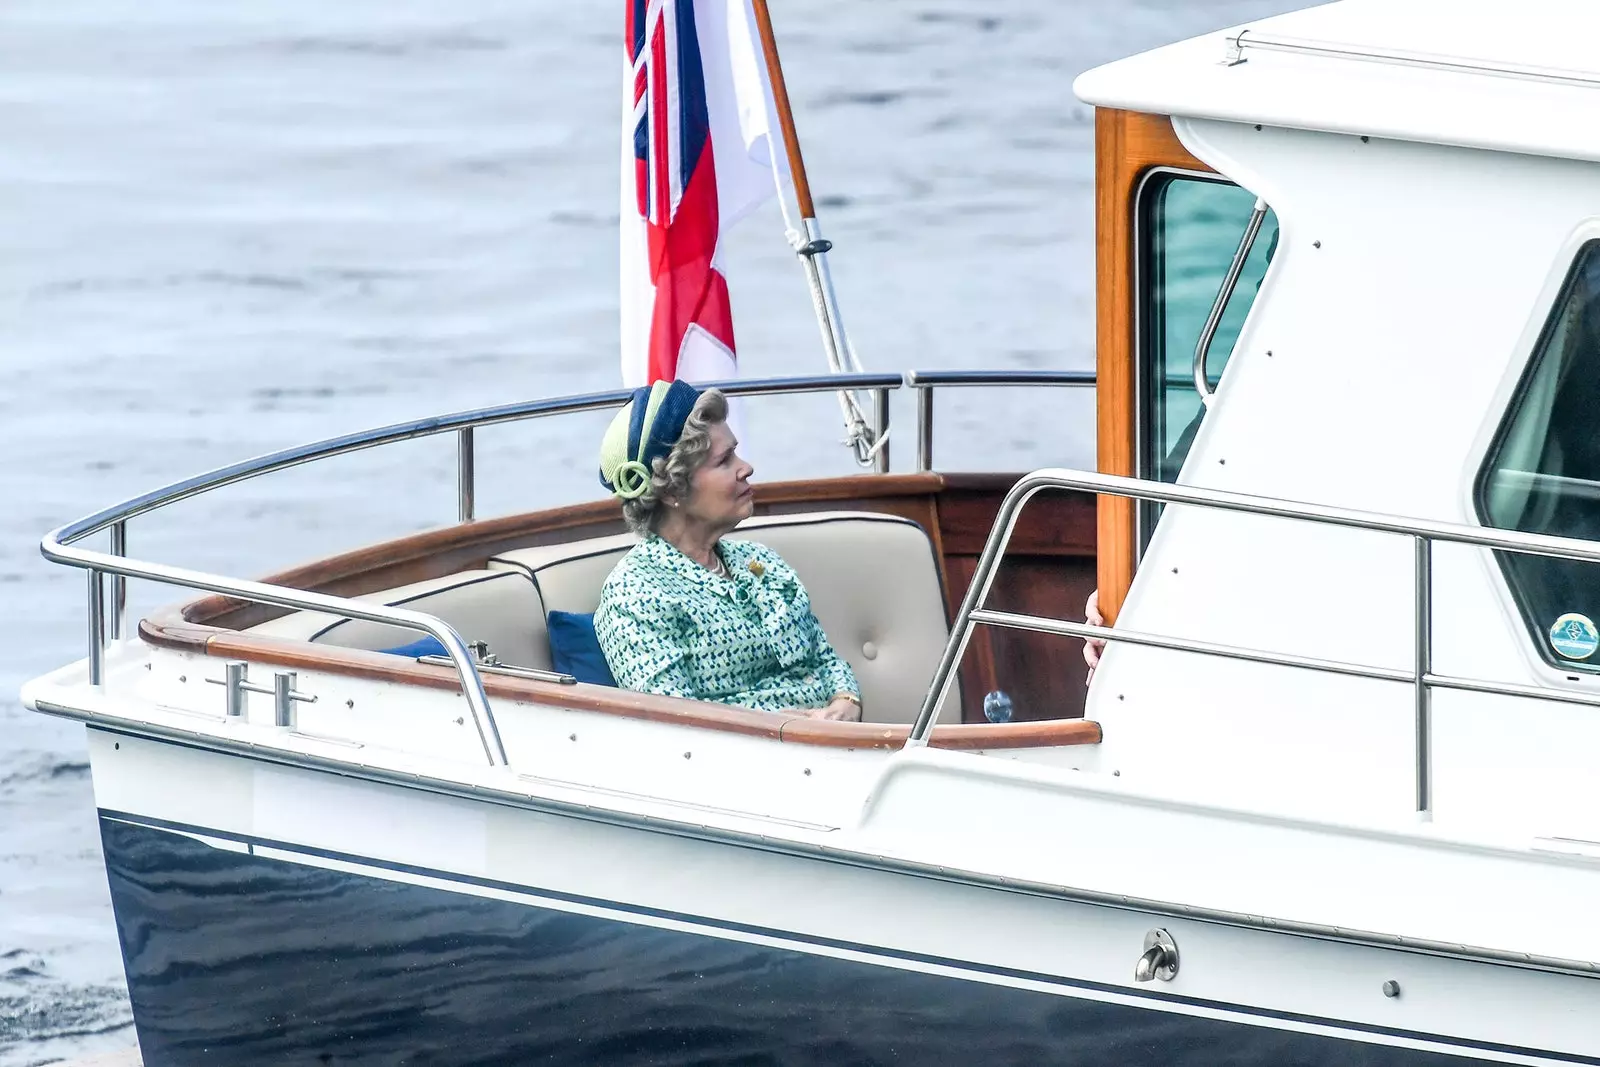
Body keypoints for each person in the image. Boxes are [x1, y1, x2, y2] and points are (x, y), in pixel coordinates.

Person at [593, 380, 862, 720]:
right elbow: (677, 724)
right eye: (724, 460)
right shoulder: (635, 594)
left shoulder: (758, 561)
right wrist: (784, 726)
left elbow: (825, 659)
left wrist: (845, 704)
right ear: (670, 489)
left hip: (847, 746)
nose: (746, 467)